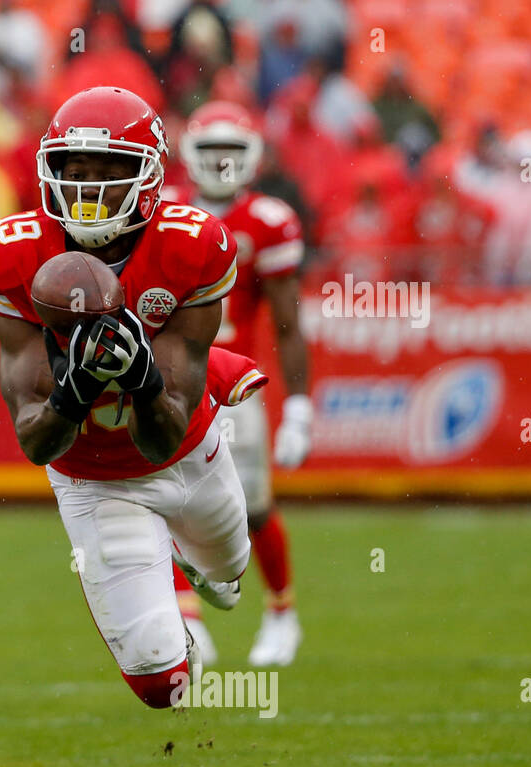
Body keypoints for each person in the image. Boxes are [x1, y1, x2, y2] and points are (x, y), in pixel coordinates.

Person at [0, 86, 261, 710]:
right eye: (77, 174)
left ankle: (194, 556)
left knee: (230, 574)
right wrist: (76, 387)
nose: (92, 192)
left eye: (113, 174)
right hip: (94, 477)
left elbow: (163, 432)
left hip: (186, 450)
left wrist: (142, 377)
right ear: (50, 173)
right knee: (167, 688)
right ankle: (169, 616)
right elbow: (34, 441)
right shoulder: (14, 254)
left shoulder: (192, 245)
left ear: (150, 177)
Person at [169, 100, 310, 667]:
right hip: (171, 380)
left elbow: (289, 321)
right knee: (167, 501)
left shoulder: (268, 220)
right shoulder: (164, 209)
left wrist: (299, 407)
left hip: (233, 384)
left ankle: (282, 612)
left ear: (252, 156)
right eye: (210, 151)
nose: (221, 163)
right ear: (188, 154)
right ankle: (187, 619)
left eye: (232, 151)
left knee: (251, 510)